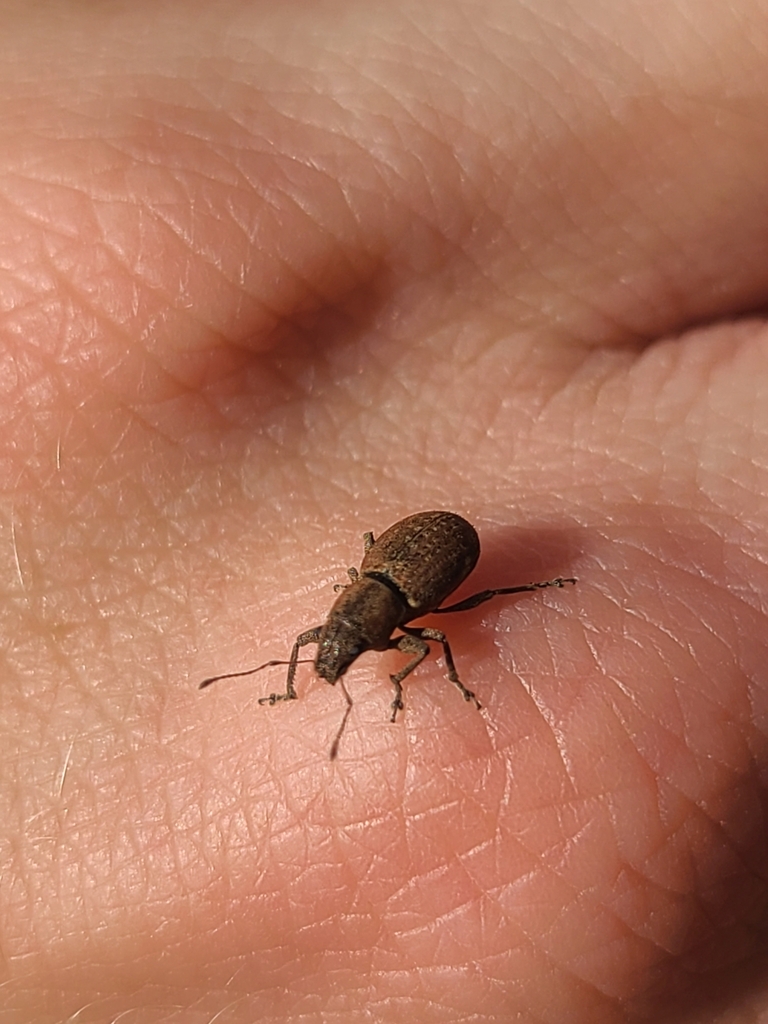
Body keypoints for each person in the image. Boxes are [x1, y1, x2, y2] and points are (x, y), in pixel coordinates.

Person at [2, 2, 766, 1021]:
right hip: (403, 553)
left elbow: (434, 643)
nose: (341, 657)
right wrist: (299, 679)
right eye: (348, 656)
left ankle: (535, 583)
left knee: (471, 624)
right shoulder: (353, 615)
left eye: (350, 653)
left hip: (435, 545)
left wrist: (417, 684)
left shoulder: (407, 626)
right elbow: (332, 640)